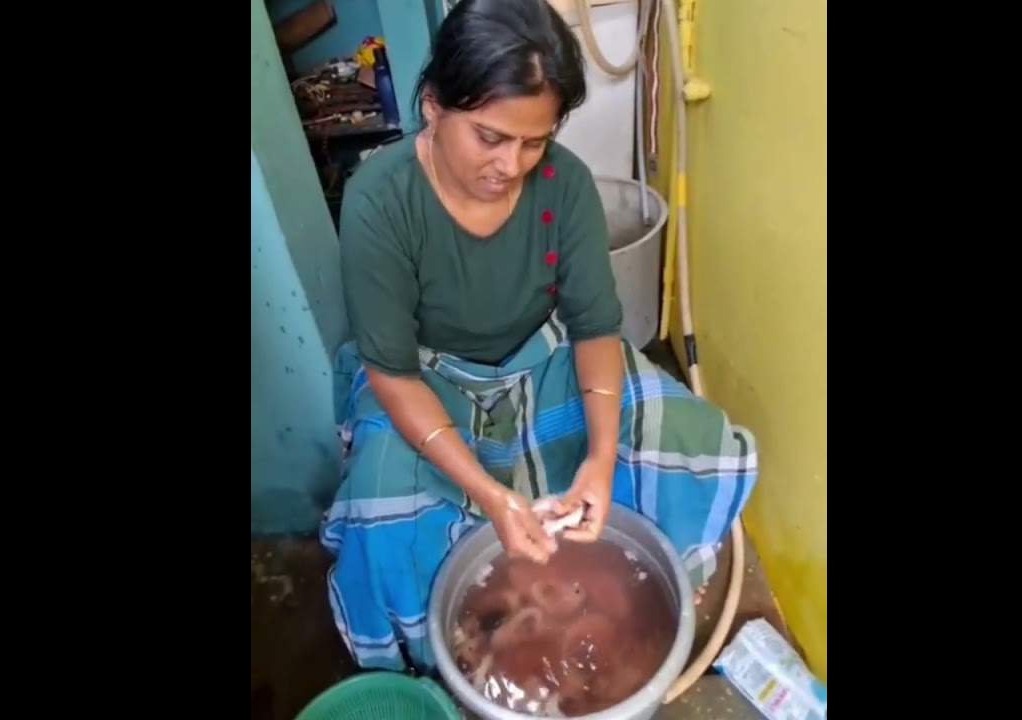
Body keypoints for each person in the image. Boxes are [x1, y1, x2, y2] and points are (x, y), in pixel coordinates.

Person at [322, 0, 758, 673]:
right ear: (434, 106)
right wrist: (488, 493)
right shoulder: (380, 197)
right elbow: (393, 373)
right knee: (382, 514)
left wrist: (601, 458)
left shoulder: (565, 184)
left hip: (542, 357)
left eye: (534, 142)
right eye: (490, 137)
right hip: (427, 376)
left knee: (682, 434)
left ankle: (637, 565)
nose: (511, 165)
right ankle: (450, 649)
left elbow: (595, 329)